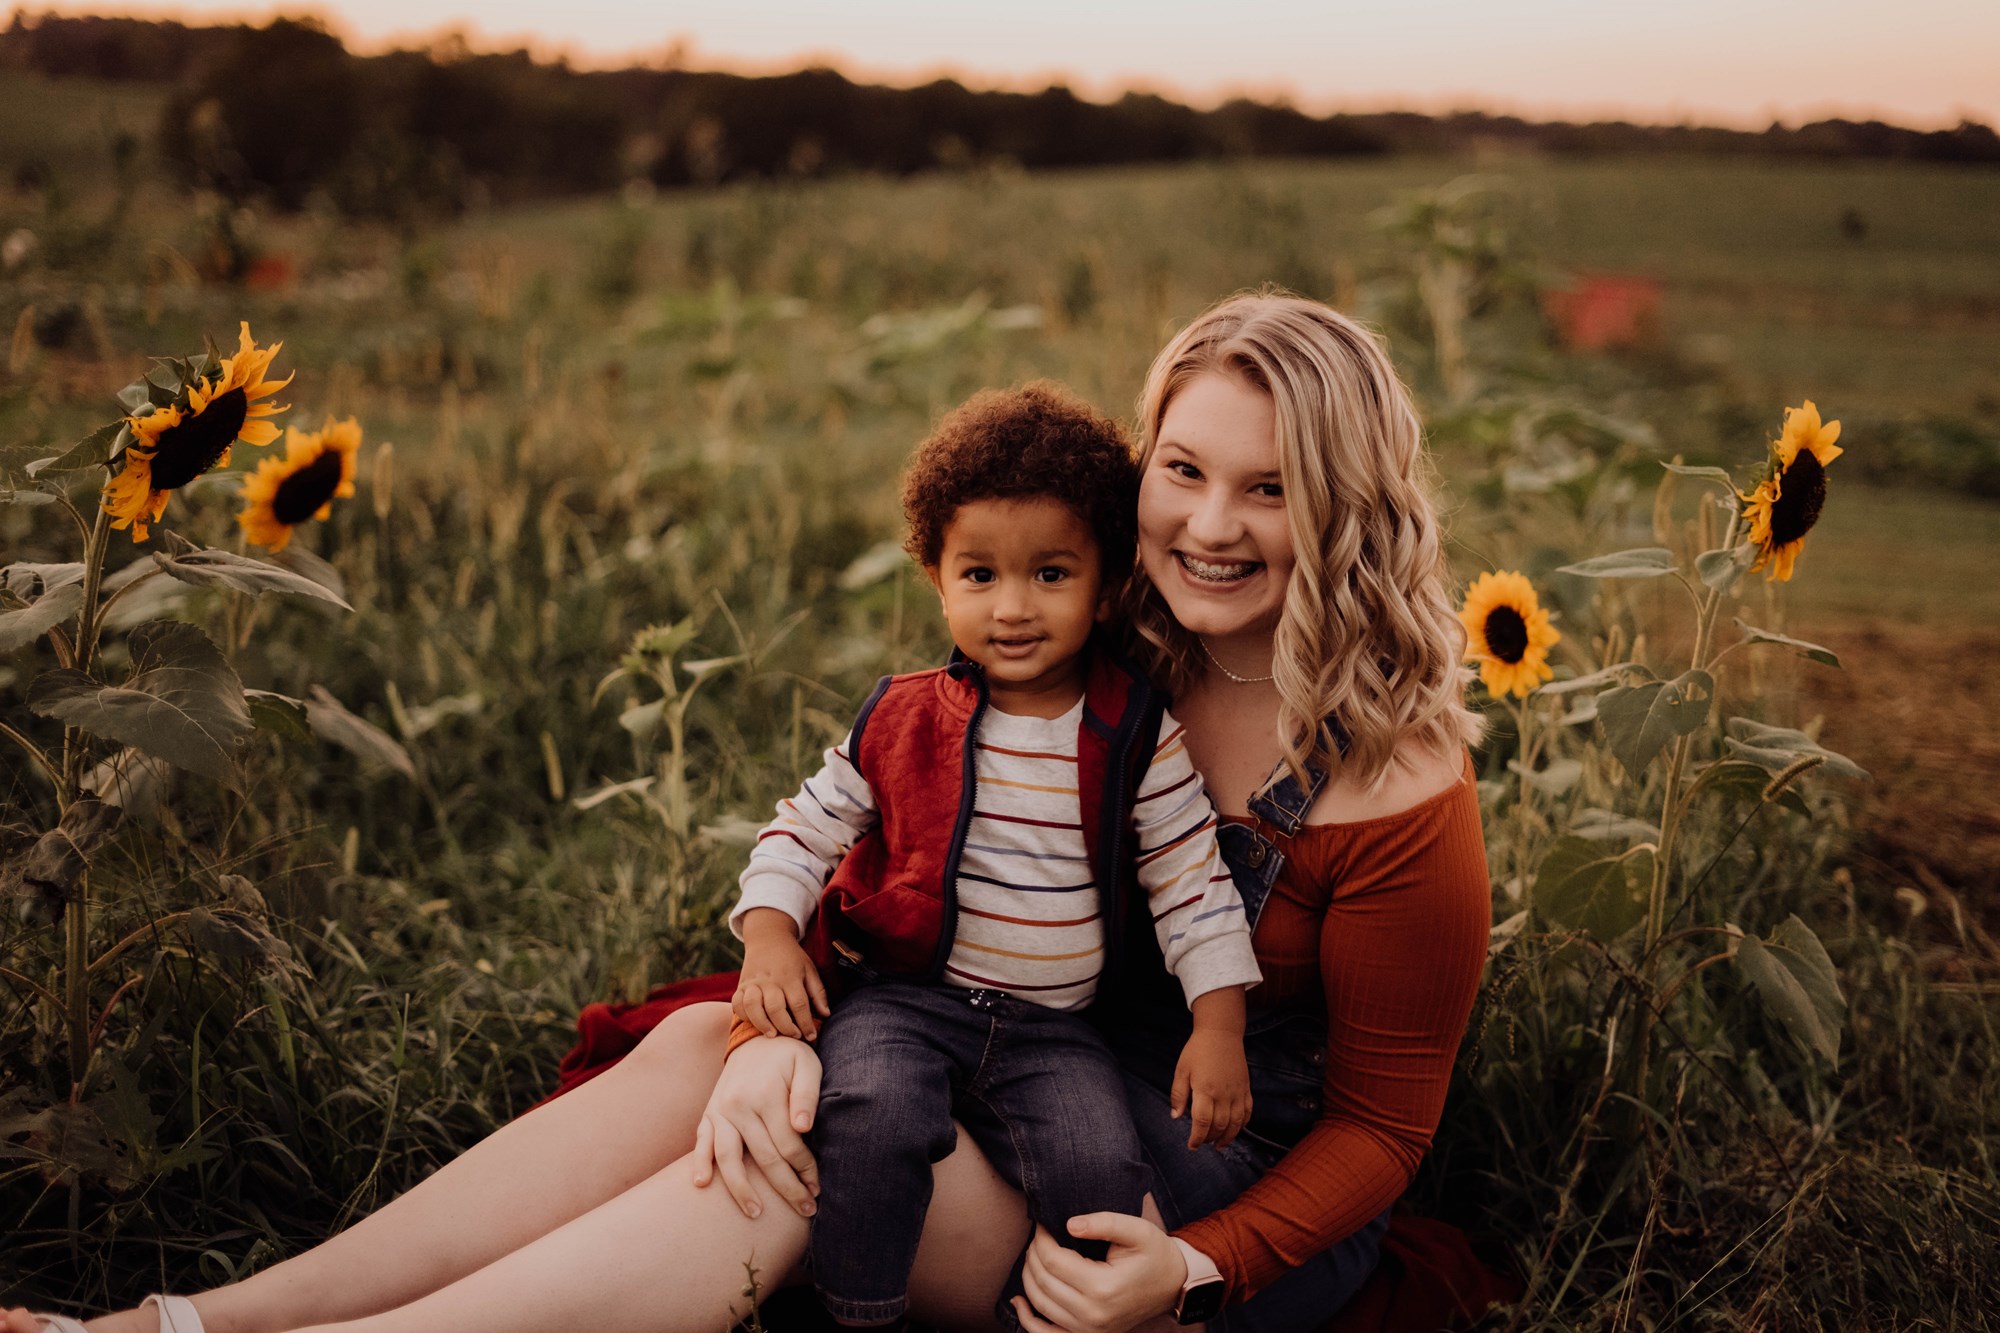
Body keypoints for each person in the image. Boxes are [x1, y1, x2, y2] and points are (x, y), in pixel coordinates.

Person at [5, 292, 1490, 1333]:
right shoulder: (1121, 657)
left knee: (818, 1147)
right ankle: (190, 1320)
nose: (1211, 527)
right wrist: (793, 1025)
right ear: (1138, 473)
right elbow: (934, 861)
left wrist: (1192, 1275)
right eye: (1182, 471)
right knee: (726, 1049)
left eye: (1271, 491)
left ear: (1352, 505)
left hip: (1183, 1204)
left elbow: (1377, 1133)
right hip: (1017, 1057)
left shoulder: (1395, 783)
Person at [729, 383, 1261, 1328]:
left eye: (1051, 574)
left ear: (1105, 582)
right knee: (871, 1117)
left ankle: (1052, 1317)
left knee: (1102, 1168)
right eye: (980, 576)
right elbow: (802, 829)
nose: (1013, 608)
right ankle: (857, 1311)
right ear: (936, 575)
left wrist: (1217, 1026)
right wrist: (771, 933)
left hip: (1053, 1029)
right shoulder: (902, 717)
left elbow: (1193, 886)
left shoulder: (1136, 732)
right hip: (907, 999)